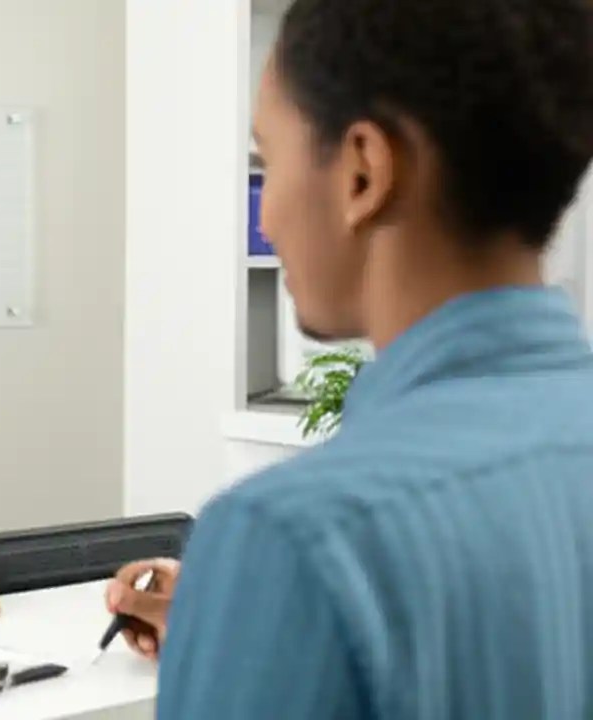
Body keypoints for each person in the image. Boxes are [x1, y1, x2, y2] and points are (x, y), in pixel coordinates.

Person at [108, 0, 593, 717]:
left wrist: (265, 607)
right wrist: (260, 644)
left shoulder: (293, 538)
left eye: (266, 161)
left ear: (363, 171)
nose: (265, 215)